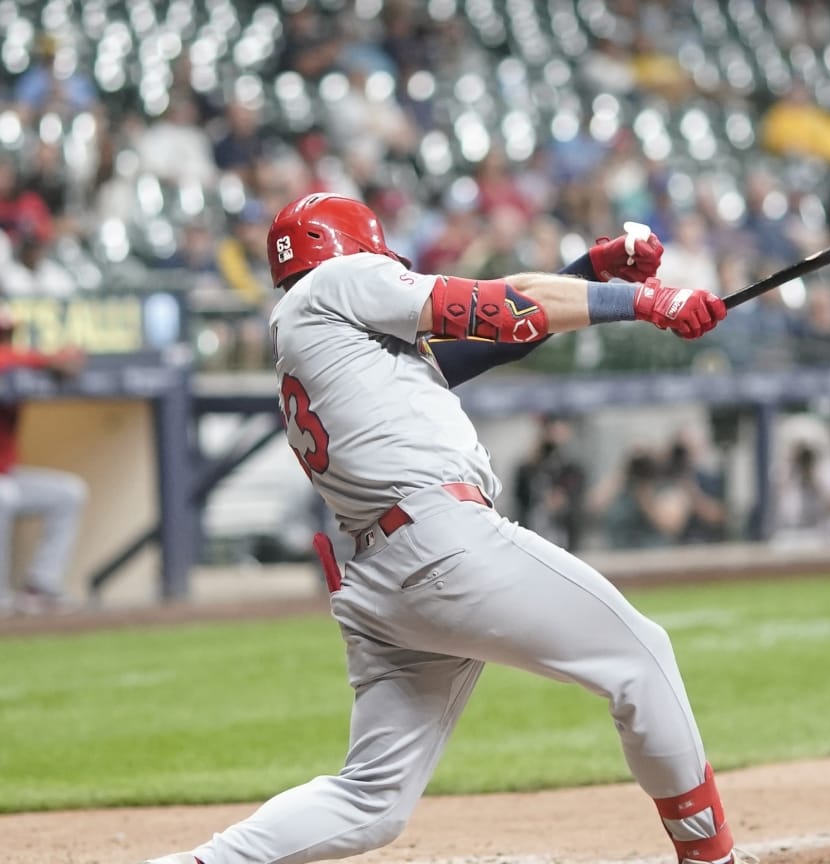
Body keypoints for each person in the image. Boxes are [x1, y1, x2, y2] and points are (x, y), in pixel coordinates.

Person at [139, 194, 751, 864]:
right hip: (441, 543)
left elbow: (486, 335)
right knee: (642, 656)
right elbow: (503, 311)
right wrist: (648, 304)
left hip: (380, 574)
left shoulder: (324, 327)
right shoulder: (340, 282)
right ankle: (710, 858)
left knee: (369, 799)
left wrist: (593, 273)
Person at [0, 307, 88, 616]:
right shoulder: (15, 361)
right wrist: (48, 360)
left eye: (9, 334)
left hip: (6, 473)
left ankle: (41, 585)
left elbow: (69, 355)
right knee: (4, 496)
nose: (6, 342)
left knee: (68, 493)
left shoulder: (19, 361)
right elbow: (7, 360)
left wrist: (61, 357)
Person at [510, 415, 587, 552]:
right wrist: (535, 457)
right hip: (532, 537)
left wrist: (563, 501)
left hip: (565, 539)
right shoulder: (528, 468)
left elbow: (578, 502)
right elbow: (520, 497)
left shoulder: (573, 468)